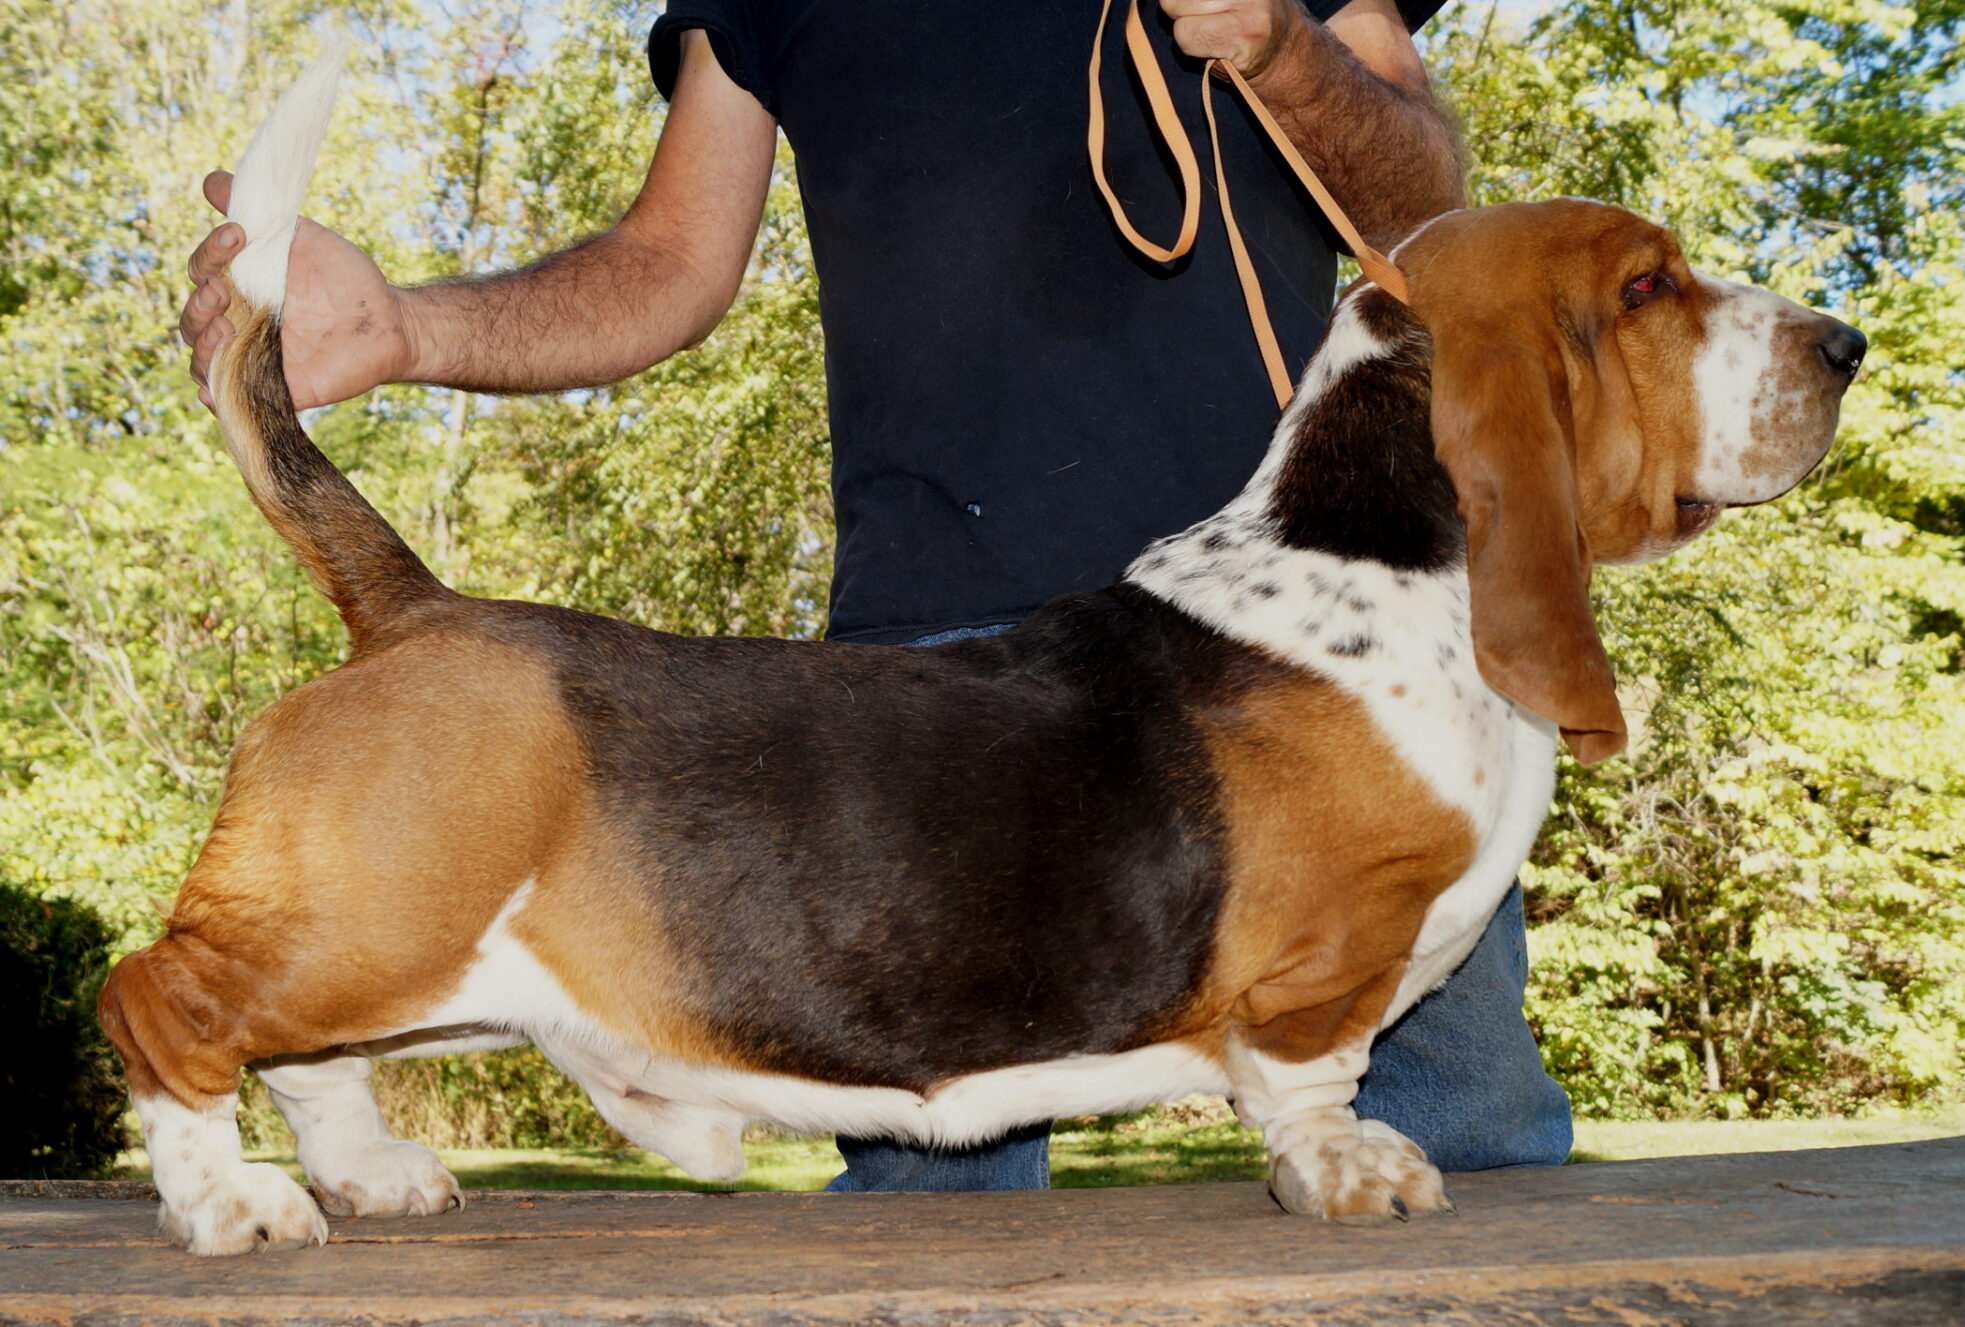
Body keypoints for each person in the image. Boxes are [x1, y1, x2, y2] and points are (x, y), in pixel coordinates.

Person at [180, 0, 1572, 1193]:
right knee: (928, 1242)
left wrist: (1281, 48)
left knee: (1477, 1161)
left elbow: (1425, 217)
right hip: (937, 686)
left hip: (1314, 666)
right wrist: (413, 325)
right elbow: (671, 262)